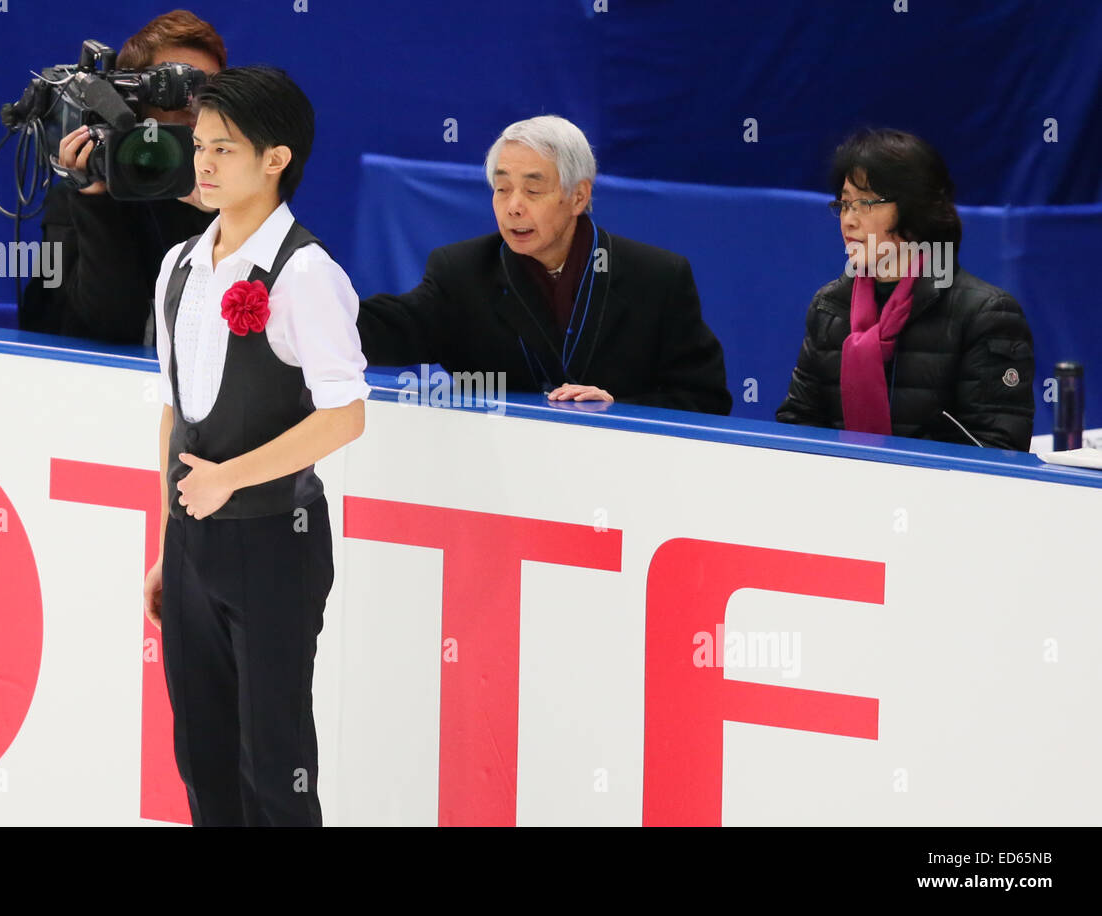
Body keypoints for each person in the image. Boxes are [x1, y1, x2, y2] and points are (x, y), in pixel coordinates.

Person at [141, 67, 368, 826]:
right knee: (202, 758)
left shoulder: (305, 273)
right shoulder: (178, 266)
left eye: (224, 149)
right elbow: (175, 411)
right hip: (194, 547)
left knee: (275, 767)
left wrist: (228, 480)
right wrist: (168, 541)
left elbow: (344, 416)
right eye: (199, 146)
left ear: (275, 159)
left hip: (277, 542)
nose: (202, 165)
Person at [356, 115, 732, 413]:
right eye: (502, 189)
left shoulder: (657, 278)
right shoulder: (462, 272)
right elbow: (394, 327)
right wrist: (312, 310)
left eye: (533, 190)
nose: (513, 205)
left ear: (578, 196)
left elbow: (706, 399)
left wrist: (618, 408)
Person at [776, 128, 1035, 450]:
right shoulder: (829, 307)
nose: (848, 221)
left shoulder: (987, 314)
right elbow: (798, 425)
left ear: (915, 210)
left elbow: (997, 447)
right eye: (844, 204)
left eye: (865, 203)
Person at [20, 10, 226, 343]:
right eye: (174, 86)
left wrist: (224, 220)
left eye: (210, 90)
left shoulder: (235, 194)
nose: (195, 106)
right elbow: (108, 325)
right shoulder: (77, 199)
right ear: (134, 102)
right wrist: (95, 199)